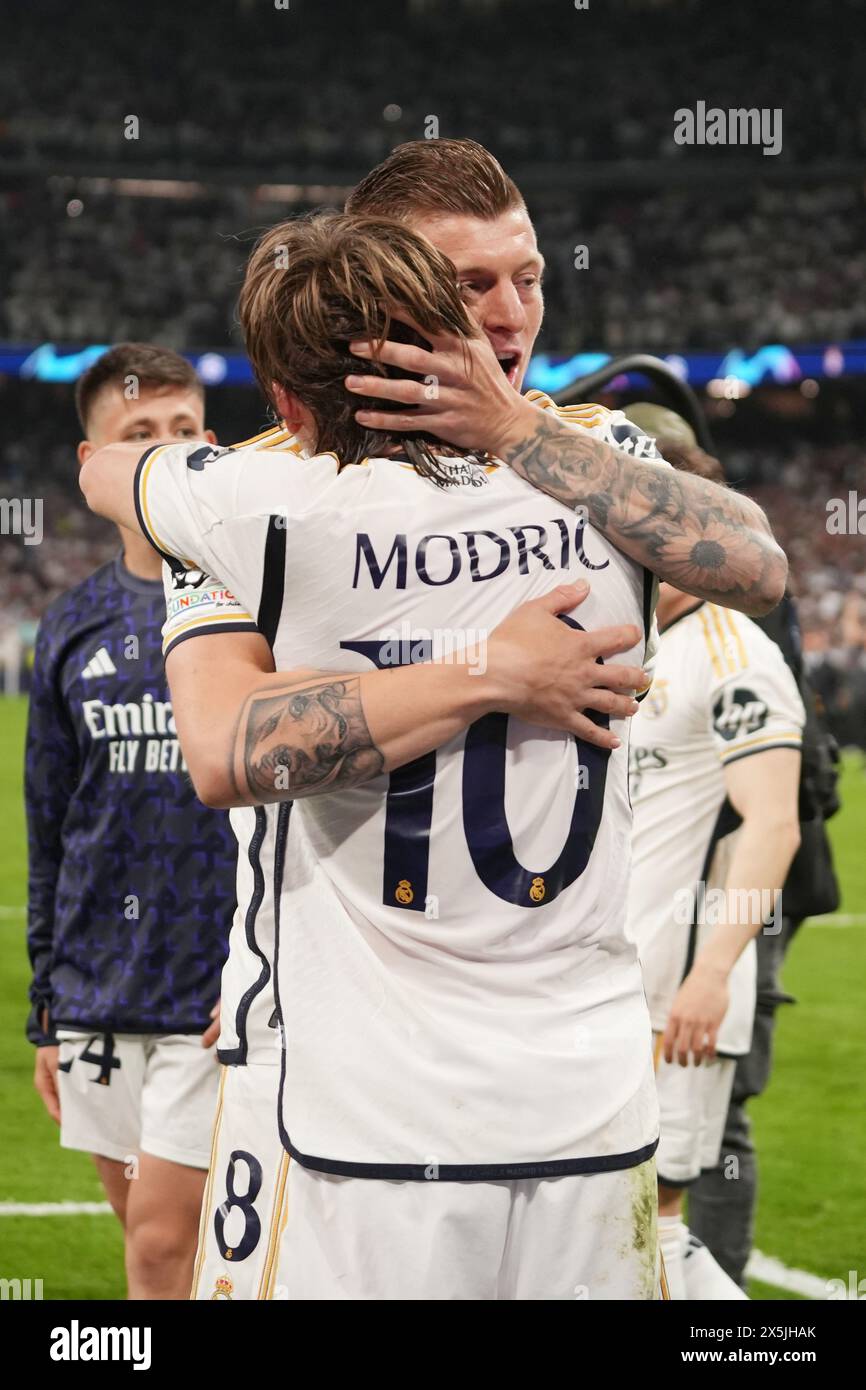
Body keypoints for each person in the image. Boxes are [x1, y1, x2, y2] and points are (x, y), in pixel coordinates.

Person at [82, 210, 666, 1301]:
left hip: (358, 1100)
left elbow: (215, 741)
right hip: (569, 1087)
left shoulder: (241, 505)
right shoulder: (601, 473)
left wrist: (134, 472)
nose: (501, 317)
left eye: (526, 280)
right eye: (466, 286)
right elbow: (751, 563)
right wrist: (492, 665)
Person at [25, 343, 236, 1299]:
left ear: (213, 446)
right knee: (153, 1245)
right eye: (138, 434)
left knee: (160, 1244)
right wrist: (47, 1010)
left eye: (183, 433)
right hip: (100, 990)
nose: (163, 452)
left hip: (213, 994)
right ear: (93, 462)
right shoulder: (71, 624)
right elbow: (48, 825)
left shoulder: (255, 603)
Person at [627, 403, 840, 1290]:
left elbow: (774, 822)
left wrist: (713, 973)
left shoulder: (733, 651)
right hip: (611, 988)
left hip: (678, 996)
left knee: (657, 1233)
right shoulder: (641, 643)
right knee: (607, 1233)